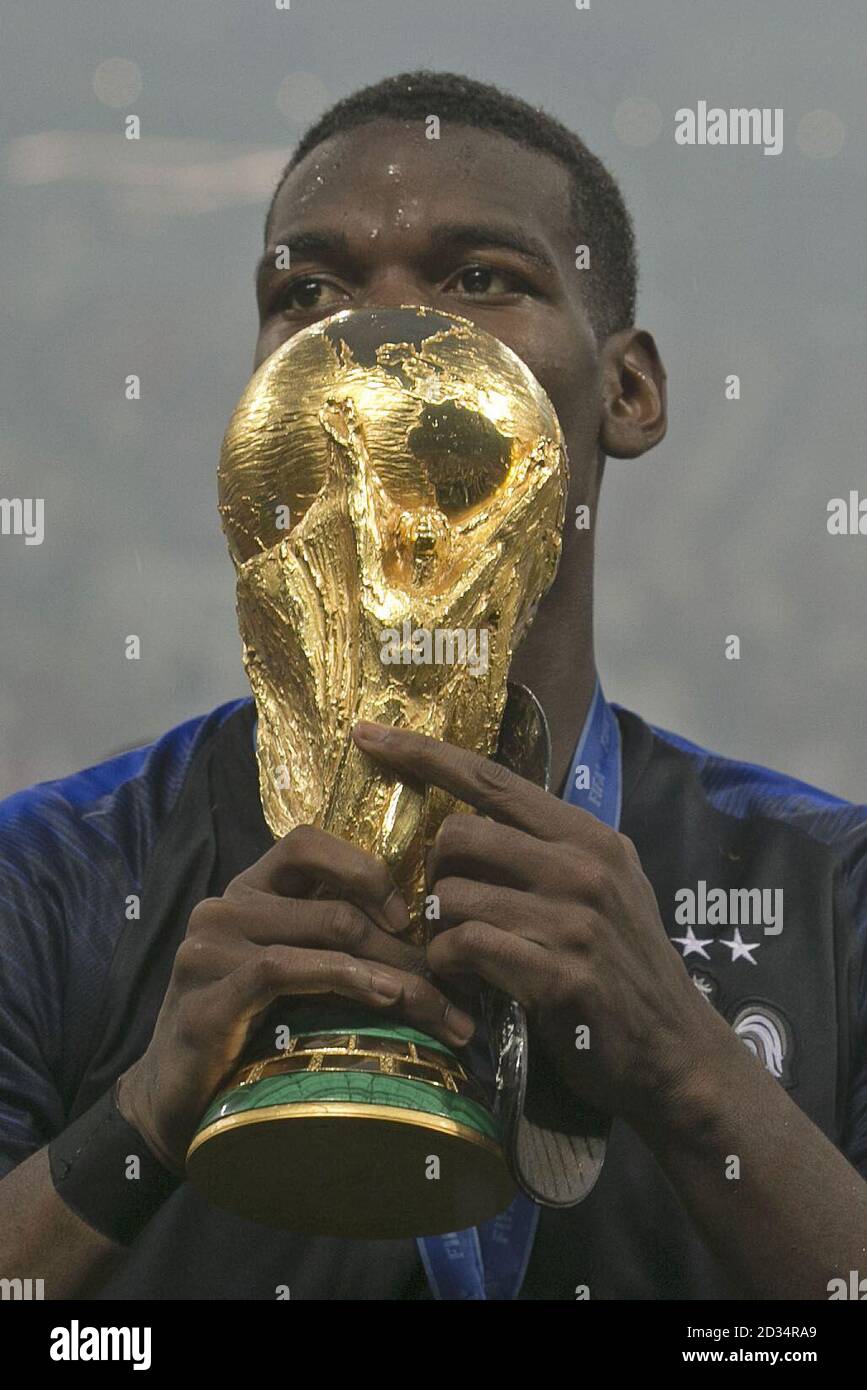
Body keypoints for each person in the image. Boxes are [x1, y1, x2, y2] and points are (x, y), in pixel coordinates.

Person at [1, 69, 865, 1302]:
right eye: (308, 292)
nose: (377, 337)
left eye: (479, 279)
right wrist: (141, 1117)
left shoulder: (826, 896)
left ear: (629, 391)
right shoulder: (52, 877)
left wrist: (689, 1072)